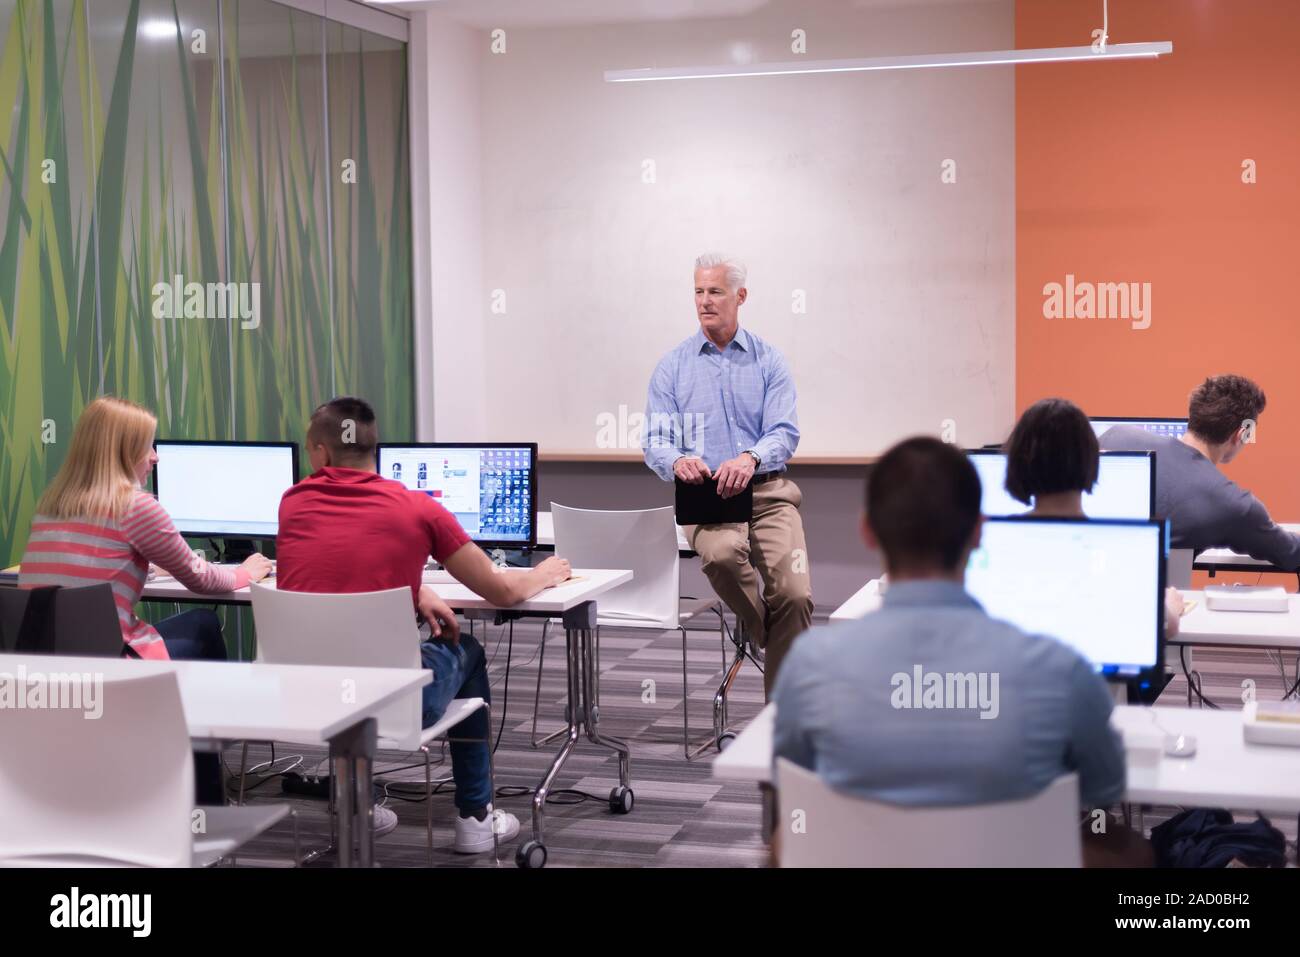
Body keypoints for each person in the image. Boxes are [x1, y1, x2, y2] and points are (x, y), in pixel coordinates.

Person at [773, 437, 1131, 862]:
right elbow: (1106, 788)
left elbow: (789, 780)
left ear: (867, 530)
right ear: (980, 531)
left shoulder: (810, 664)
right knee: (1132, 850)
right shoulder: (1060, 669)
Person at [275, 396, 571, 853]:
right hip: (395, 707)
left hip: (303, 697)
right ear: (375, 448)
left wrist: (414, 589)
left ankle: (357, 808)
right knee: (466, 647)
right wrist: (543, 573)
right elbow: (503, 592)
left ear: (319, 453)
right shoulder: (417, 509)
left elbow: (339, 568)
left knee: (339, 661)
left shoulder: (292, 503)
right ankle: (474, 818)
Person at [20, 396, 272, 803]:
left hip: (42, 671)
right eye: (146, 446)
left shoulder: (52, 505)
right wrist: (246, 572)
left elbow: (89, 567)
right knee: (204, 625)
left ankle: (192, 769)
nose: (154, 457)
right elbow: (200, 576)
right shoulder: (136, 506)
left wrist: (142, 566)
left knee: (192, 638)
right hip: (110, 670)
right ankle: (205, 777)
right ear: (122, 452)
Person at [643, 253, 813, 696]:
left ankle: (782, 722)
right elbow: (656, 440)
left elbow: (784, 431)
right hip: (708, 499)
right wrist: (677, 461)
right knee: (720, 556)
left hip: (768, 492)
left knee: (794, 596)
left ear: (740, 296)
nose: (704, 301)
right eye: (698, 291)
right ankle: (773, 639)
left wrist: (751, 457)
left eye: (715, 291)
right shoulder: (673, 366)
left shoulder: (769, 361)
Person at [1004, 397, 1184, 639]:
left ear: (1015, 462)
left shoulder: (994, 541)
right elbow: (1166, 627)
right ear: (1091, 460)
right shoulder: (1121, 549)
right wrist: (1171, 605)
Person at [1098, 375, 1300, 569]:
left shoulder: (1117, 435)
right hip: (1156, 600)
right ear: (1241, 434)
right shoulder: (1233, 504)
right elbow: (1289, 553)